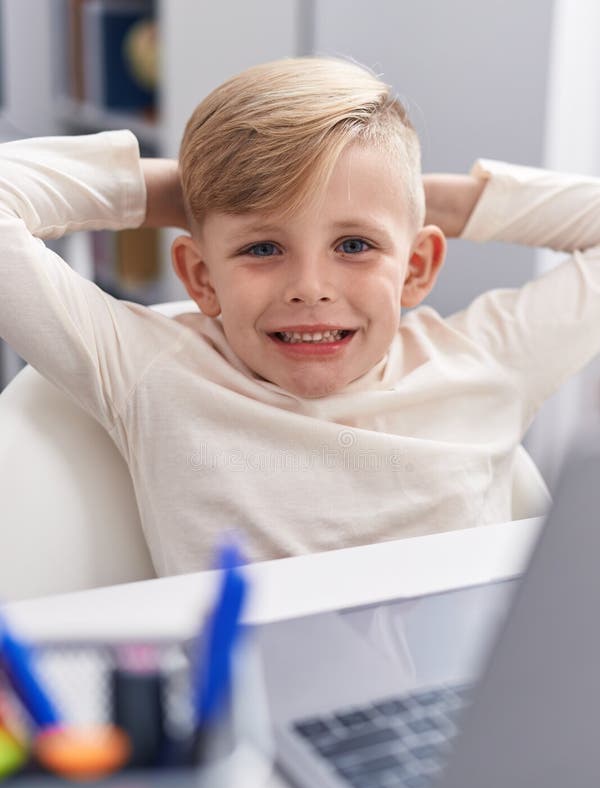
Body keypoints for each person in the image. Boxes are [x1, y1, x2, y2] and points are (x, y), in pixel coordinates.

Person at [1, 56, 599, 577]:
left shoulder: (488, 363)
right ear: (201, 276)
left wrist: (420, 196)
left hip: (463, 705)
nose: (309, 289)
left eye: (355, 245)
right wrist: (178, 192)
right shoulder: (148, 371)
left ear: (416, 266)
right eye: (262, 248)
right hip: (245, 710)